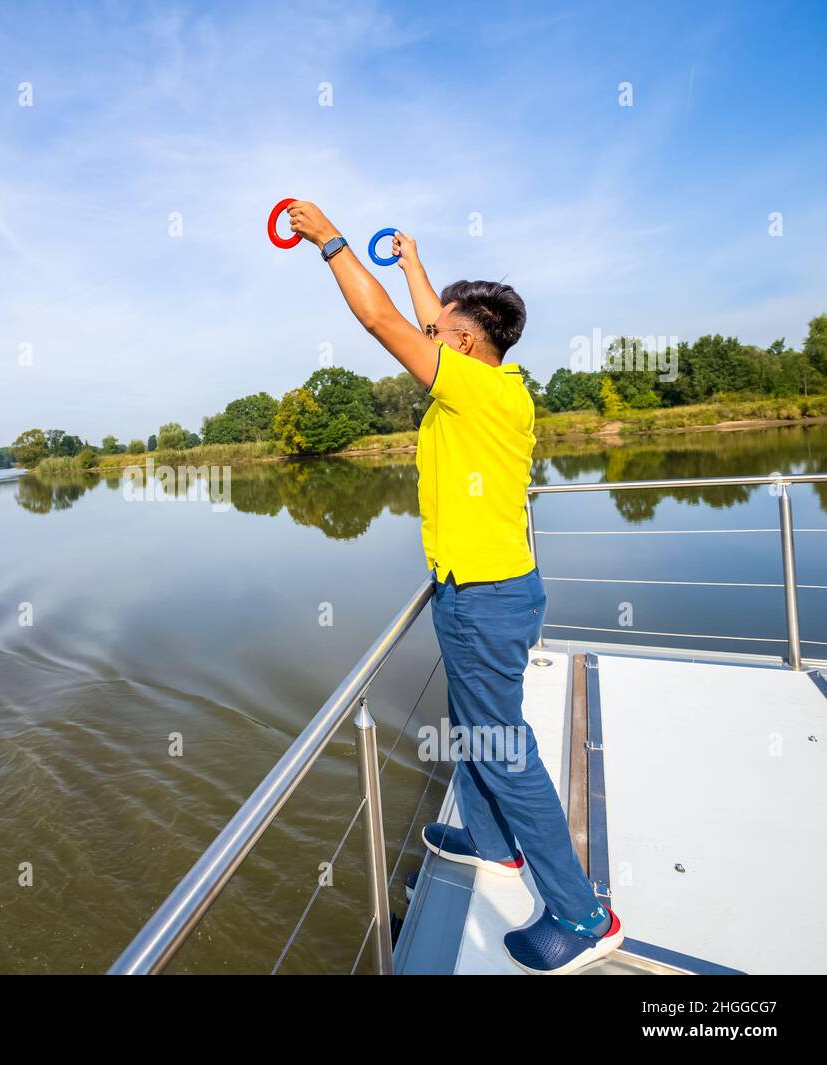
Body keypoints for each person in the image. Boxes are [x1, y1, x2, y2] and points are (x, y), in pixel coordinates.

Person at [286, 202, 624, 975]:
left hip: (485, 595)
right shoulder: (492, 383)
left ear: (464, 345)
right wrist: (411, 261)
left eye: (437, 330)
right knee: (476, 726)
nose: (424, 333)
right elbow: (420, 317)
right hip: (481, 586)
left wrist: (329, 239)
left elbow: (379, 323)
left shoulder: (472, 390)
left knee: (505, 748)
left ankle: (583, 912)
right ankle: (495, 843)